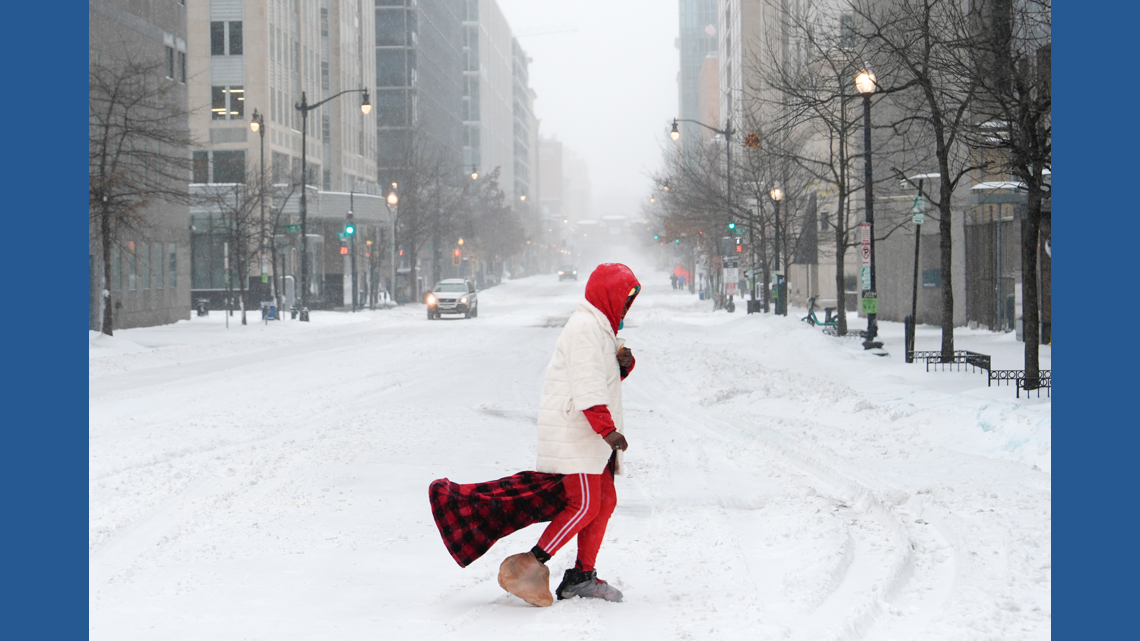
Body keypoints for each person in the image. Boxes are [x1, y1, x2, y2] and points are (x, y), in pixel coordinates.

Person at [496, 263, 640, 607]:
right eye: (623, 298)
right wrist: (608, 430)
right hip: (576, 432)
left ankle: (581, 577)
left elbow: (600, 379)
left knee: (604, 503)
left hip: (587, 433)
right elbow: (588, 388)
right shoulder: (585, 329)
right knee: (586, 503)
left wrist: (622, 365)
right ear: (608, 294)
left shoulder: (599, 329)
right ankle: (527, 565)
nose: (624, 306)